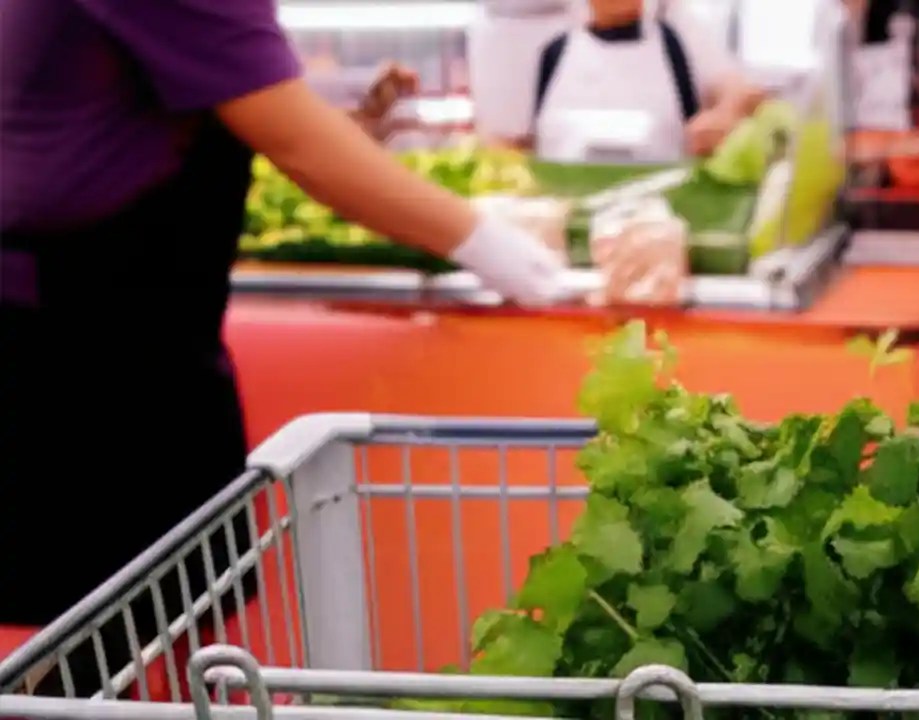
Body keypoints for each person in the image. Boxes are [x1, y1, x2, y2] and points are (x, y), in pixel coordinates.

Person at [0, 0, 566, 696]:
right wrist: (495, 246)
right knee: (87, 635)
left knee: (162, 618)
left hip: (150, 332)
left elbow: (254, 104)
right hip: (79, 349)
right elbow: (297, 140)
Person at [504, 0, 765, 162]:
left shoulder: (680, 38)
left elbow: (742, 92)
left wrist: (724, 114)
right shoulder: (552, 51)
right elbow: (517, 143)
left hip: (659, 217)